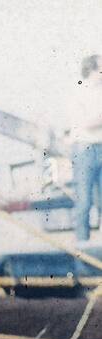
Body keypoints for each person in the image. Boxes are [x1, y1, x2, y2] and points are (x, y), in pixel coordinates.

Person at [69, 55, 102, 244]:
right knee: (84, 201)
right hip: (85, 151)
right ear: (91, 70)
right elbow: (86, 124)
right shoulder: (78, 92)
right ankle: (82, 245)